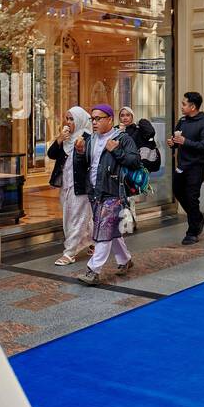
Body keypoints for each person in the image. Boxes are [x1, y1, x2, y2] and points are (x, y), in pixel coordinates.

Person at [76, 104, 142, 285]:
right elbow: (86, 167)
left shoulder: (122, 139)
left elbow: (135, 161)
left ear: (110, 120)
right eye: (93, 119)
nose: (94, 122)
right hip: (95, 192)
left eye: (98, 118)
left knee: (104, 230)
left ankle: (93, 270)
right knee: (110, 229)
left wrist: (116, 150)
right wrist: (80, 153)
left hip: (114, 192)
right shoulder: (90, 140)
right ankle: (125, 260)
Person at [46, 106, 93, 266]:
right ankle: (92, 241)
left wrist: (81, 150)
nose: (68, 122)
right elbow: (51, 154)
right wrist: (59, 139)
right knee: (69, 218)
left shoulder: (87, 137)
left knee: (77, 218)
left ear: (79, 120)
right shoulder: (66, 138)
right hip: (65, 185)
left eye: (72, 119)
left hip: (81, 186)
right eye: (67, 118)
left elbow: (92, 161)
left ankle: (69, 253)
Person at [168, 91, 204, 244]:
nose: (181, 106)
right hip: (182, 165)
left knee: (192, 196)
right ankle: (199, 217)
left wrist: (184, 141)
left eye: (184, 104)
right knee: (178, 191)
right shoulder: (182, 121)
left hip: (197, 166)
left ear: (193, 106)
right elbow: (178, 140)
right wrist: (173, 143)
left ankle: (192, 232)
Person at [119, 106, 161, 173]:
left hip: (140, 165)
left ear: (132, 117)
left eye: (128, 115)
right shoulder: (115, 130)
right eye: (122, 115)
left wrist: (141, 122)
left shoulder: (138, 128)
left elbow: (151, 132)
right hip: (122, 166)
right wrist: (120, 132)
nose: (125, 118)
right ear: (119, 118)